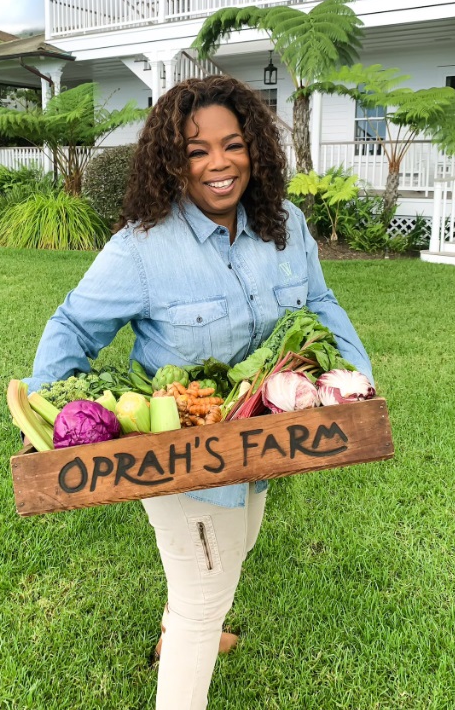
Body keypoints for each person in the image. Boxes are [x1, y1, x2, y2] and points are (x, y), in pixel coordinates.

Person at [24, 75, 373, 709]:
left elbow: (319, 300)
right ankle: (188, 632)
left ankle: (179, 624)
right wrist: (46, 417)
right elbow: (73, 325)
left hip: (262, 445)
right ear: (171, 162)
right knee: (203, 600)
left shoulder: (285, 224)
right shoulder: (141, 250)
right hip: (182, 462)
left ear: (255, 149)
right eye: (196, 151)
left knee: (237, 547)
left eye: (232, 144)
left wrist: (355, 374)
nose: (219, 164)